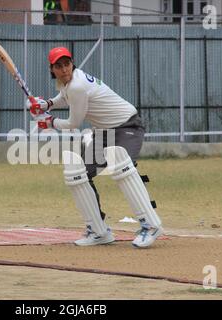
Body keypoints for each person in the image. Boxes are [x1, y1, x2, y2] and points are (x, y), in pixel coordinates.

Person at [28, 47, 163, 248]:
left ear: (72, 63)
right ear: (52, 69)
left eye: (67, 64)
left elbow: (74, 123)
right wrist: (47, 104)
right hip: (103, 132)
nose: (65, 69)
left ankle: (150, 225)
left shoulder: (77, 85)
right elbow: (65, 97)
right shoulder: (68, 84)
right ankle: (99, 231)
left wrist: (50, 121)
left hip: (127, 126)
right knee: (79, 173)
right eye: (59, 66)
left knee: (122, 168)